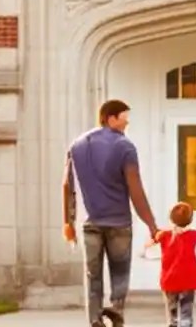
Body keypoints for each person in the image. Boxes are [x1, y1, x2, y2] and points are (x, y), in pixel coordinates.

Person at [63, 99, 160, 327]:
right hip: (119, 222)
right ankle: (116, 313)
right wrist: (152, 225)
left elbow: (66, 186)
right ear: (110, 117)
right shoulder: (125, 147)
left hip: (89, 223)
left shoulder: (77, 145)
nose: (127, 122)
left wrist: (67, 222)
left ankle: (95, 319)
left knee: (92, 275)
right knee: (120, 273)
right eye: (124, 117)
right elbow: (135, 188)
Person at [148, 202, 196, 327]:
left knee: (171, 311)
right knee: (186, 310)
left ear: (171, 218)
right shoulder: (195, 236)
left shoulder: (163, 236)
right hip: (189, 280)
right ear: (190, 219)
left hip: (169, 279)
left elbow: (148, 253)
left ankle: (172, 324)